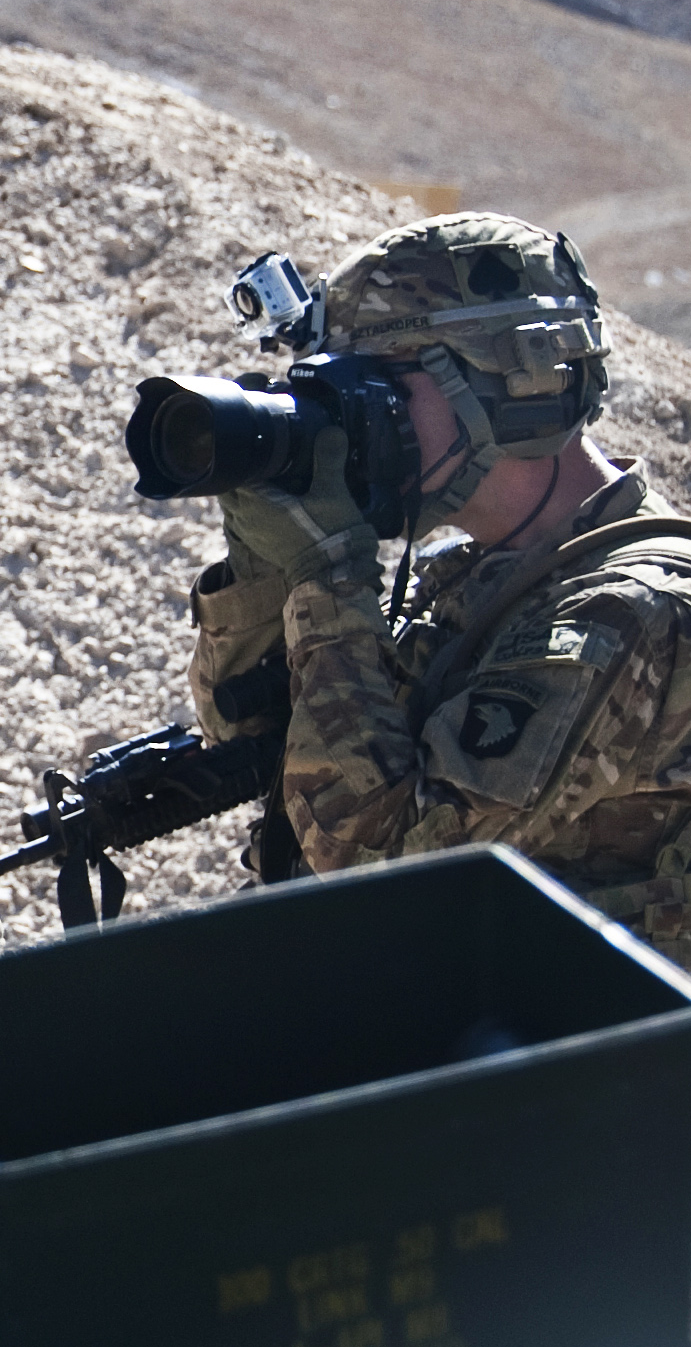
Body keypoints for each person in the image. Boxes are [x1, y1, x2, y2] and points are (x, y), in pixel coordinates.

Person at [188, 212, 691, 961]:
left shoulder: (620, 613)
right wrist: (267, 565)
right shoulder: (487, 577)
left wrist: (328, 580)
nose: (353, 422)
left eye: (378, 386)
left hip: (576, 1058)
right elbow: (268, 738)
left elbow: (388, 866)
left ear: (508, 382)